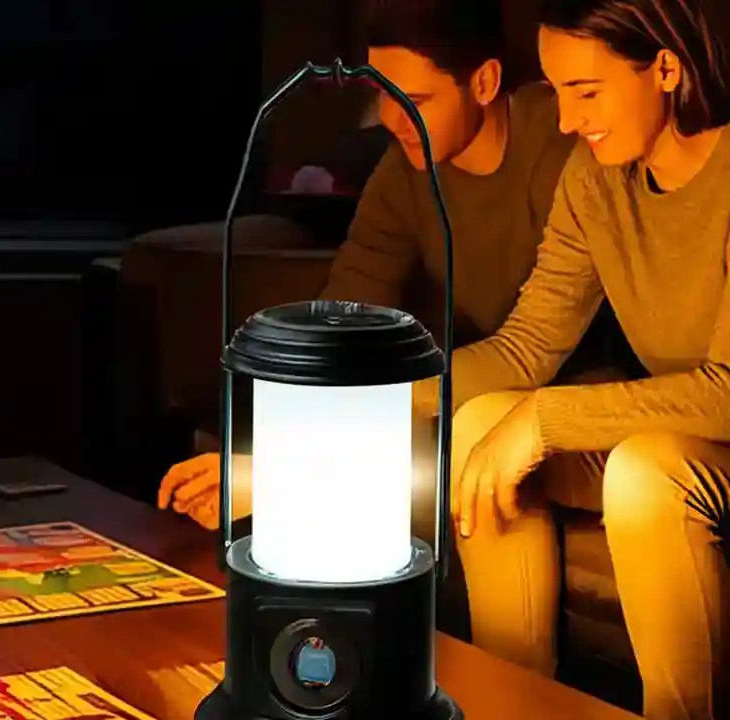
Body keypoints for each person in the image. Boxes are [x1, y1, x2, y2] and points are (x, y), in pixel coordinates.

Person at [157, 0, 591, 529]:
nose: (390, 118)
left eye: (414, 100)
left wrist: (293, 467)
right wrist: (279, 445)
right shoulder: (404, 172)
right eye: (381, 95)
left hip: (587, 388)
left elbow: (527, 353)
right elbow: (343, 319)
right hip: (487, 394)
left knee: (453, 422)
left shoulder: (564, 143)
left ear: (483, 82)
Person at [415, 0, 730, 716]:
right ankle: (513, 703)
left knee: (646, 471)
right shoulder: (596, 180)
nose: (563, 121)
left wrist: (547, 418)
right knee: (482, 424)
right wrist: (352, 401)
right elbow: (526, 346)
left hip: (694, 448)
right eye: (556, 91)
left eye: (585, 92)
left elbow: (727, 394)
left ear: (667, 70)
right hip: (673, 434)